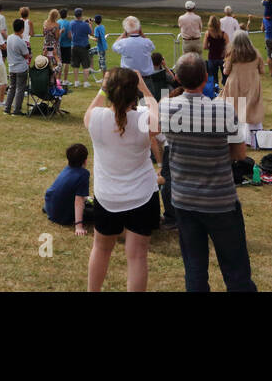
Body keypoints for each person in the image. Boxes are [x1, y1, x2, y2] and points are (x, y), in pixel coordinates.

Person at [160, 54, 256, 292]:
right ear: (205, 78)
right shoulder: (223, 110)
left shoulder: (165, 107)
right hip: (219, 200)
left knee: (194, 267)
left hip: (183, 198)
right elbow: (240, 154)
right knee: (236, 268)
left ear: (178, 78)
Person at [84, 68, 161, 292]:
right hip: (142, 196)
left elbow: (93, 109)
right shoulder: (143, 120)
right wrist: (145, 88)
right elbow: (157, 117)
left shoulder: (96, 118)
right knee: (137, 257)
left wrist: (103, 87)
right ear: (133, 94)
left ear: (111, 91)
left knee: (101, 248)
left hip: (107, 197)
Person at [220, 30, 264, 144]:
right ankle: (252, 138)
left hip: (235, 84)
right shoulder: (256, 53)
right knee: (251, 109)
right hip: (252, 83)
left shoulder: (232, 54)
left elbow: (226, 71)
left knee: (235, 109)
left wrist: (225, 65)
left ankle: (235, 135)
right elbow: (262, 70)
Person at [44, 143, 92, 232]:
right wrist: (79, 226)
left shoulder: (67, 169)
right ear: (85, 160)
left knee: (87, 201)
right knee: (97, 212)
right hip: (62, 217)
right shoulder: (83, 174)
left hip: (50, 207)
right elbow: (79, 201)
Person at [4, 18, 31, 115]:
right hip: (20, 68)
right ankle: (17, 110)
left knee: (12, 87)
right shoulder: (20, 41)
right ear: (22, 29)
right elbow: (26, 55)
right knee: (20, 89)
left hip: (11, 67)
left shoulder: (9, 38)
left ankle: (7, 108)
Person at [70, 8, 94, 86]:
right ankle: (85, 82)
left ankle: (76, 81)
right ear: (81, 15)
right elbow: (91, 33)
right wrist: (90, 24)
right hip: (83, 46)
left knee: (75, 65)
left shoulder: (72, 23)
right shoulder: (85, 25)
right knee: (85, 64)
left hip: (74, 46)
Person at [204, 15, 227, 87]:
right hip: (222, 57)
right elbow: (228, 46)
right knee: (225, 77)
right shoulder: (223, 34)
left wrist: (211, 47)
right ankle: (225, 91)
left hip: (212, 57)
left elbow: (205, 46)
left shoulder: (208, 34)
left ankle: (215, 92)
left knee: (214, 78)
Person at [58, 8, 73, 86]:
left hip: (59, 44)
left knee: (60, 62)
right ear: (66, 15)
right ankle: (65, 80)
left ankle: (59, 79)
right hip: (67, 45)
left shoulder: (57, 22)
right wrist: (72, 39)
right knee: (66, 62)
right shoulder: (68, 23)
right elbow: (69, 35)